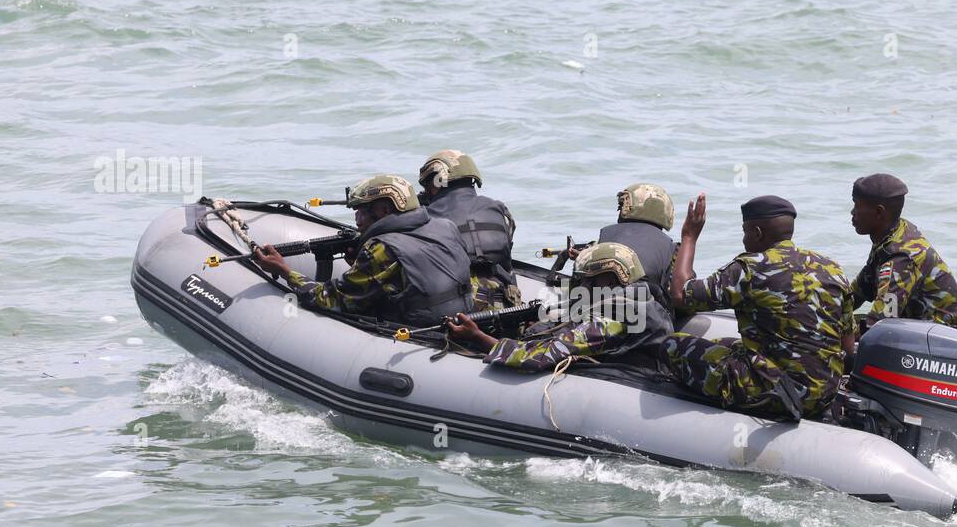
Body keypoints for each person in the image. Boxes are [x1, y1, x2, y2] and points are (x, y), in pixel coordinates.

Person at [663, 193, 854, 420]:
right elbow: (848, 347)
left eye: (745, 233)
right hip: (824, 392)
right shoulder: (832, 268)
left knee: (673, 344)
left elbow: (680, 293)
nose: (744, 240)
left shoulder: (750, 269)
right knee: (726, 344)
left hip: (780, 393)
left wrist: (689, 236)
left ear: (757, 233)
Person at [254, 174, 472, 327]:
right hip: (460, 317)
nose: (356, 219)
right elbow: (420, 273)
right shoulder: (445, 226)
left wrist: (284, 270)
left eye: (361, 211)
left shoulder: (382, 249)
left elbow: (329, 299)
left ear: (384, 209)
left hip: (417, 327)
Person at [447, 242, 672, 373]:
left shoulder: (615, 317)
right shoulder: (644, 298)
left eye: (587, 280)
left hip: (635, 386)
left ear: (611, 281)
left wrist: (478, 337)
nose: (581, 287)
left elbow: (543, 355)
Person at [849, 173, 957, 334]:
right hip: (919, 329)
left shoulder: (902, 257)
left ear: (879, 213)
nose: (853, 212)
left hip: (944, 338)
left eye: (857, 206)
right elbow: (855, 294)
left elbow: (880, 323)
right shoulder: (891, 236)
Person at [418, 149, 521, 311]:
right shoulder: (499, 209)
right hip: (508, 306)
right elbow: (507, 260)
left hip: (461, 312)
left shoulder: (426, 217)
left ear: (435, 185)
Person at [582, 183, 678, 311]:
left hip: (598, 309)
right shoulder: (670, 247)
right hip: (645, 317)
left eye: (621, 206)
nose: (619, 211)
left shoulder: (607, 234)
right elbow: (678, 294)